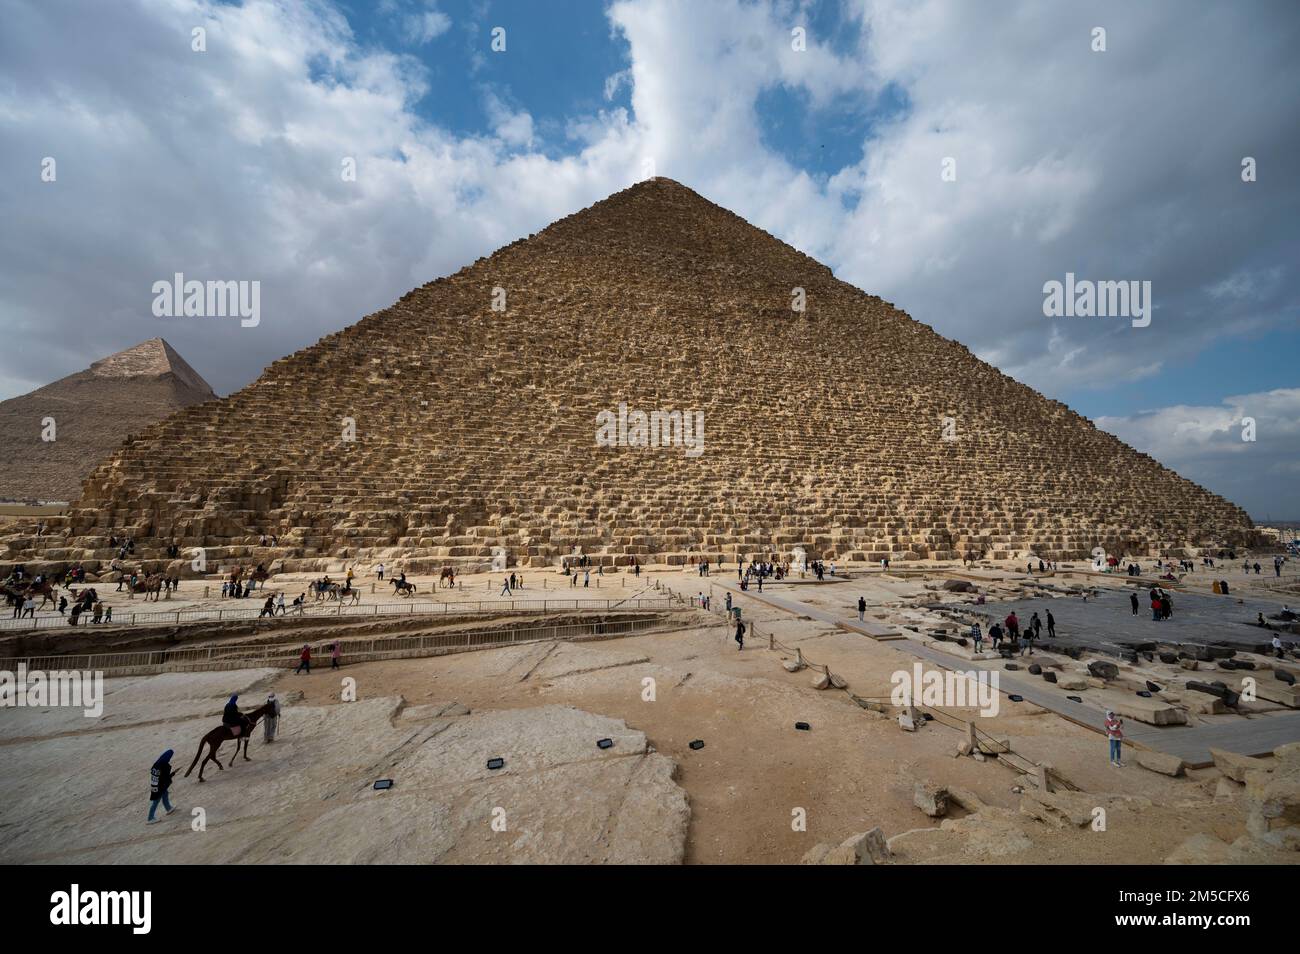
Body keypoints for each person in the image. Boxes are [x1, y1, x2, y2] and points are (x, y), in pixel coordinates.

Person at [147, 750, 176, 823]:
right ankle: (150, 818)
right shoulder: (164, 766)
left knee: (165, 794)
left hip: (155, 784)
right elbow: (165, 778)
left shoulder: (157, 763)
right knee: (156, 801)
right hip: (160, 786)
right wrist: (172, 775)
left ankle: (168, 808)